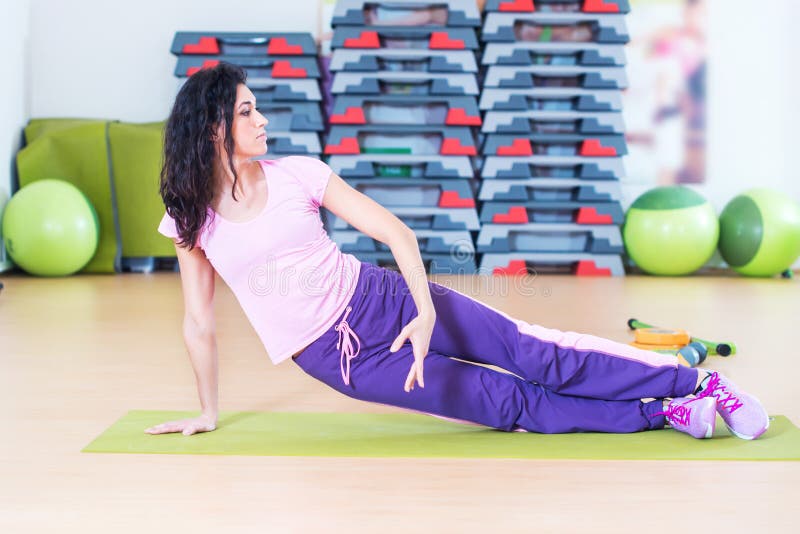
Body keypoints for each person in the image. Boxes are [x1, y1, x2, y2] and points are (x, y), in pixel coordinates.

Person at [145, 63, 769, 441]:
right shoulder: (190, 219)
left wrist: (423, 312)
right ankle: (666, 412)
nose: (262, 121)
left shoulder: (298, 174)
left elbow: (397, 234)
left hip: (384, 300)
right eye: (247, 112)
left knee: (534, 352)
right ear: (213, 129)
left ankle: (702, 381)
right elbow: (198, 320)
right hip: (339, 360)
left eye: (257, 109)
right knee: (507, 405)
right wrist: (206, 410)